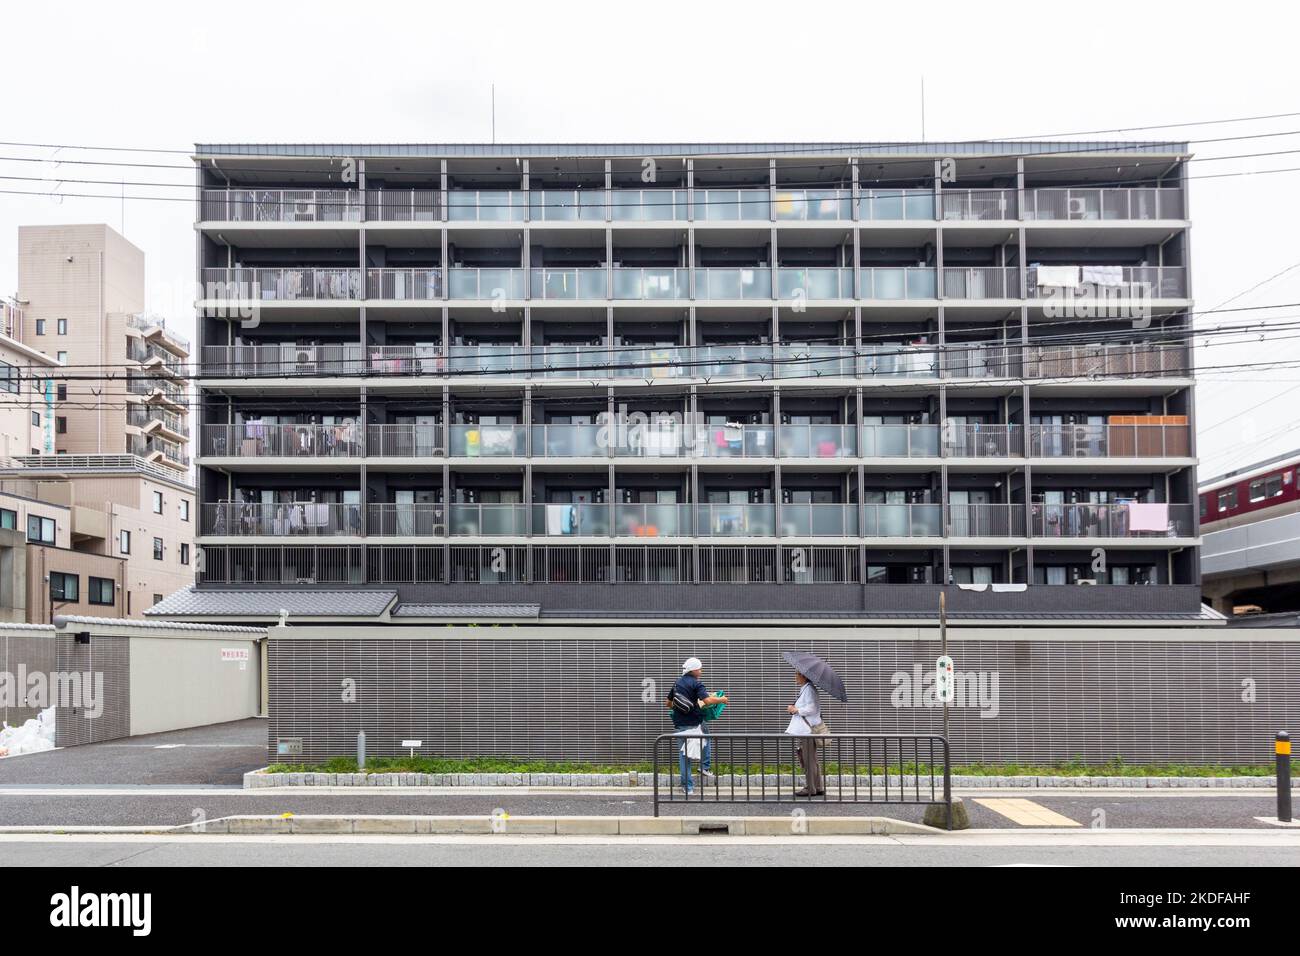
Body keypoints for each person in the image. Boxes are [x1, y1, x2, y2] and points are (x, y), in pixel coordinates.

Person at [666, 657, 727, 794]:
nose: (701, 671)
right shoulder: (697, 684)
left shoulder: (677, 684)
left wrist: (682, 705)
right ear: (693, 670)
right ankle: (704, 766)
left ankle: (687, 787)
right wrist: (722, 699)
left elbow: (668, 704)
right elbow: (708, 700)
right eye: (699, 668)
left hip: (680, 723)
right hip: (695, 723)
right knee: (706, 737)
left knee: (684, 755)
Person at [786, 670, 824, 797]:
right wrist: (794, 709)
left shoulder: (809, 690)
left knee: (808, 760)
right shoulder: (806, 689)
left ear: (803, 676)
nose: (795, 677)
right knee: (812, 759)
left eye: (797, 674)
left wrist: (796, 709)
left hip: (807, 731)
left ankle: (810, 788)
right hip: (806, 730)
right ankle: (817, 787)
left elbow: (811, 708)